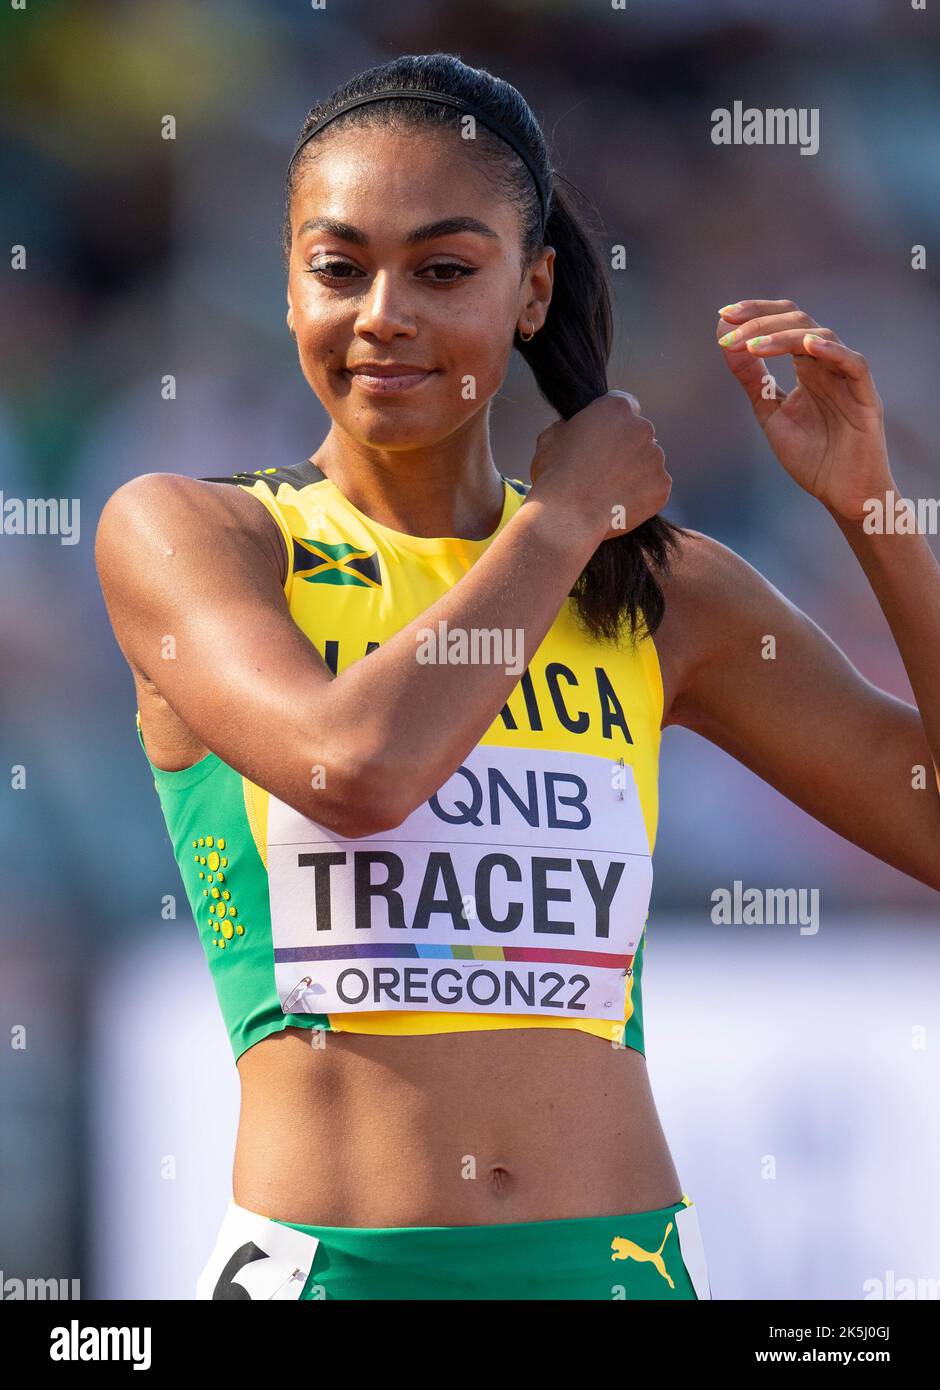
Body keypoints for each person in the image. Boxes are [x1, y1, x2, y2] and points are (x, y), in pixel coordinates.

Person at [95, 53, 940, 1301]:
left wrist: (874, 507)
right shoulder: (195, 534)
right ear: (287, 289)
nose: (384, 311)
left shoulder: (651, 589)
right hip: (334, 1270)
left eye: (444, 270)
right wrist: (558, 521)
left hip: (613, 1268)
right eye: (338, 268)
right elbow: (356, 767)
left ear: (532, 291)